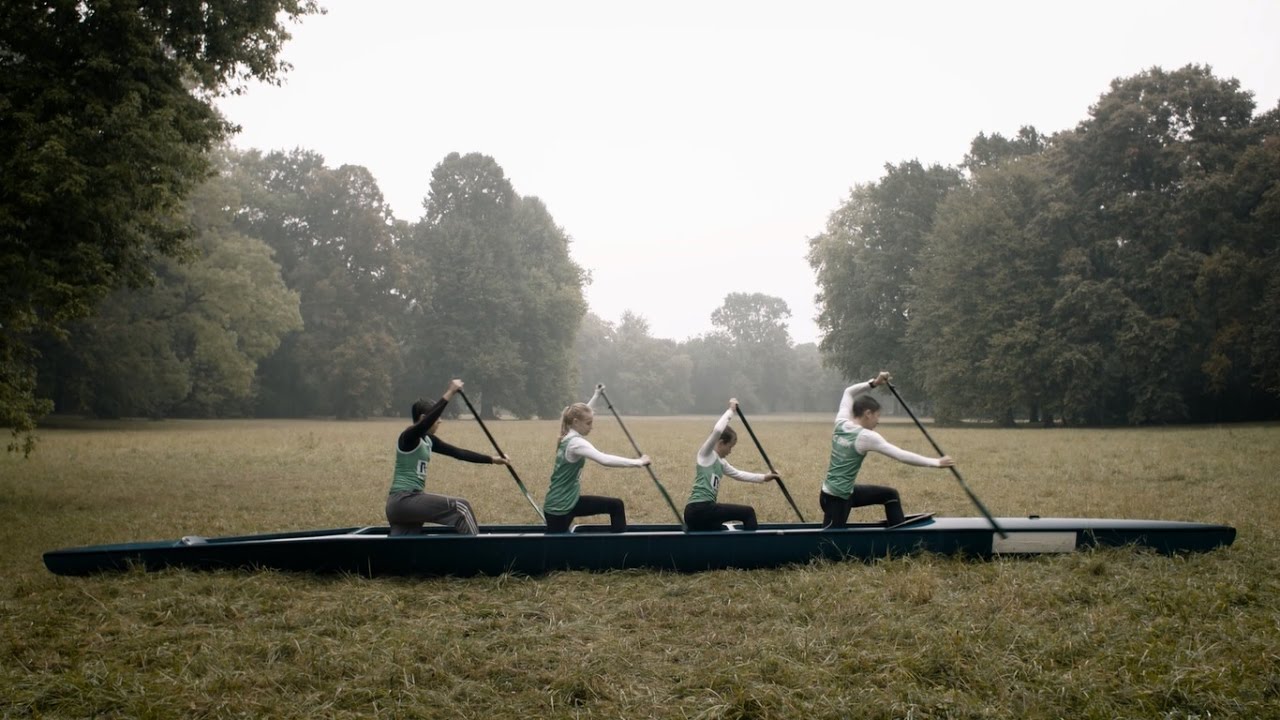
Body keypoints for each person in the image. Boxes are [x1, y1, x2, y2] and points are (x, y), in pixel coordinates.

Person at [820, 371, 955, 529]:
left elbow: (848, 391)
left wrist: (874, 383)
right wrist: (936, 462)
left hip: (835, 494)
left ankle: (900, 538)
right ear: (868, 414)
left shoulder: (841, 422)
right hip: (837, 500)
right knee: (828, 544)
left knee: (890, 495)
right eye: (877, 416)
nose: (879, 421)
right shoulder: (866, 437)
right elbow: (901, 455)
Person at [386, 378, 511, 536]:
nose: (440, 421)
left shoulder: (429, 440)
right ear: (424, 418)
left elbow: (458, 453)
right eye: (436, 417)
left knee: (405, 550)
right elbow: (426, 423)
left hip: (406, 505)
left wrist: (493, 459)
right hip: (404, 500)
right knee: (461, 508)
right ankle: (479, 554)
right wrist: (450, 392)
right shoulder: (408, 437)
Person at [544, 384, 651, 533]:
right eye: (589, 424)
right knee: (556, 554)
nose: (591, 427)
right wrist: (638, 462)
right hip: (560, 508)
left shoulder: (568, 434)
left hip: (564, 503)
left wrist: (596, 395)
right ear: (576, 422)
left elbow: (582, 414)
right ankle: (621, 549)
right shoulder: (576, 443)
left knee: (615, 505)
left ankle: (618, 547)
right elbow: (604, 459)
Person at [684, 398, 779, 531]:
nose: (730, 451)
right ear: (721, 443)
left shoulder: (721, 463)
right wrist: (731, 410)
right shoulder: (705, 454)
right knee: (748, 513)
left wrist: (764, 477)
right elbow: (717, 430)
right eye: (730, 447)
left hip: (698, 514)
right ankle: (754, 546)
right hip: (700, 509)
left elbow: (739, 474)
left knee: (723, 530)